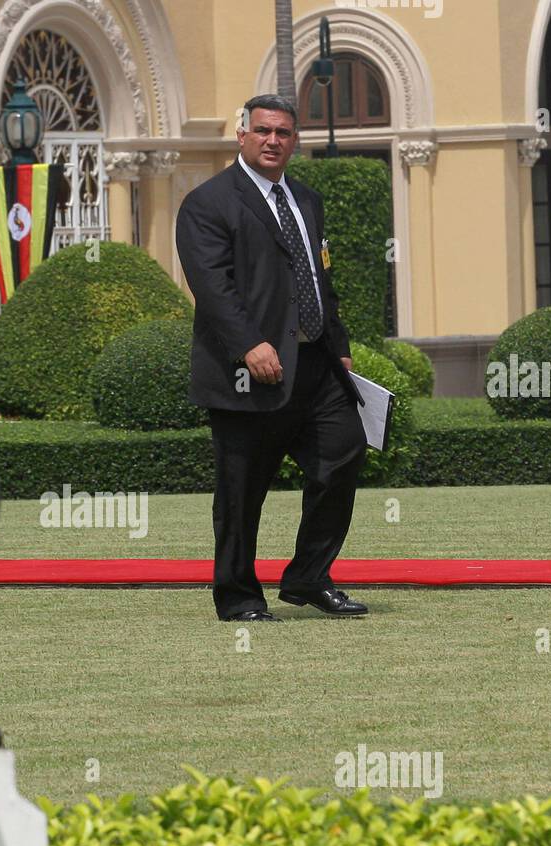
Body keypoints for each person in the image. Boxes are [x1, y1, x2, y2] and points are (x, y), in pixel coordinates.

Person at [175, 93, 369, 622]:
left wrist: (341, 346)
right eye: (262, 131)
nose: (272, 141)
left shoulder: (306, 199)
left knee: (344, 453)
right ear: (242, 135)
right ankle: (238, 597)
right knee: (241, 492)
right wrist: (248, 345)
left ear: (294, 140)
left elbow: (318, 278)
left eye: (283, 133)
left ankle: (308, 576)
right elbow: (212, 287)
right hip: (247, 372)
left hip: (315, 365)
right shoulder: (208, 203)